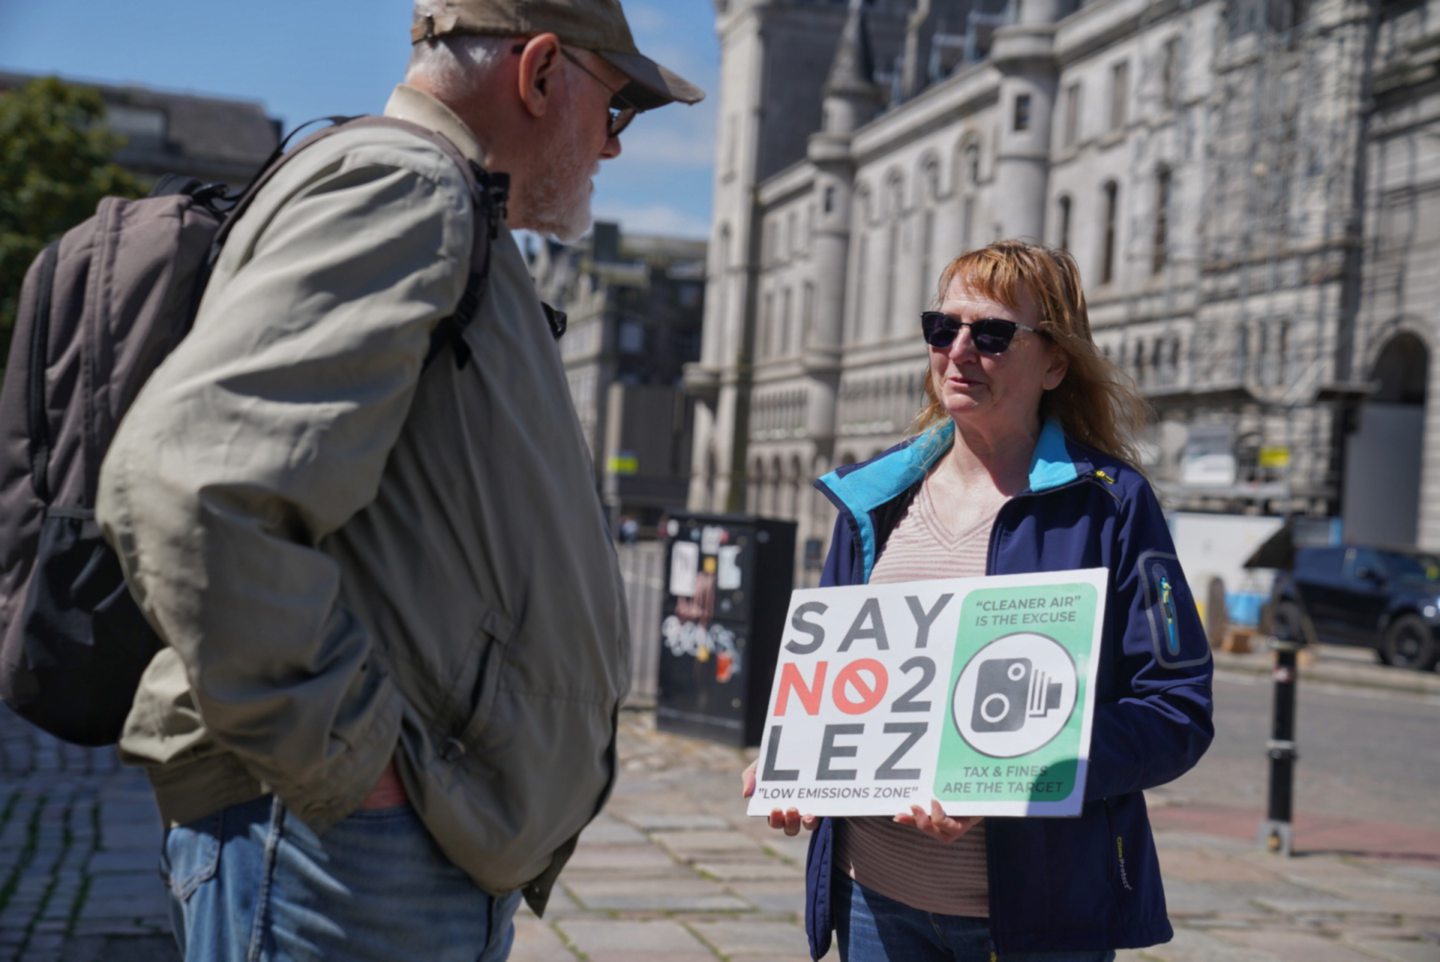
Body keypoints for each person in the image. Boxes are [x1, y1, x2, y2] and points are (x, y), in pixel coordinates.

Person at [94, 3, 702, 960]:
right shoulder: (408, 187)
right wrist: (355, 768)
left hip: (389, 845)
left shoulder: (451, 205)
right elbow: (194, 487)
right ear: (540, 72)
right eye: (616, 108)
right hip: (349, 850)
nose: (613, 148)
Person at [743, 240, 1214, 961]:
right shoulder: (873, 502)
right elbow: (834, 688)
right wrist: (793, 764)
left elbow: (1174, 709)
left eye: (991, 334)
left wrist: (1019, 773)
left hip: (1036, 919)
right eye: (943, 328)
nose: (959, 351)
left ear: (1055, 363)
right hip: (871, 901)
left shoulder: (1112, 507)